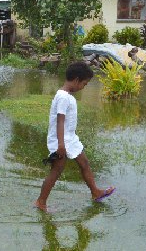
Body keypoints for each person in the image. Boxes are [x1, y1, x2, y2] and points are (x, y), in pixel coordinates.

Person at [34, 61, 115, 210]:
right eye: (84, 84)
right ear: (76, 80)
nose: (83, 87)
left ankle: (96, 192)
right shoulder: (63, 97)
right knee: (56, 171)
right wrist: (61, 145)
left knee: (84, 163)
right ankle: (41, 202)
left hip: (70, 138)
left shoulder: (68, 95)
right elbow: (60, 121)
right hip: (61, 141)